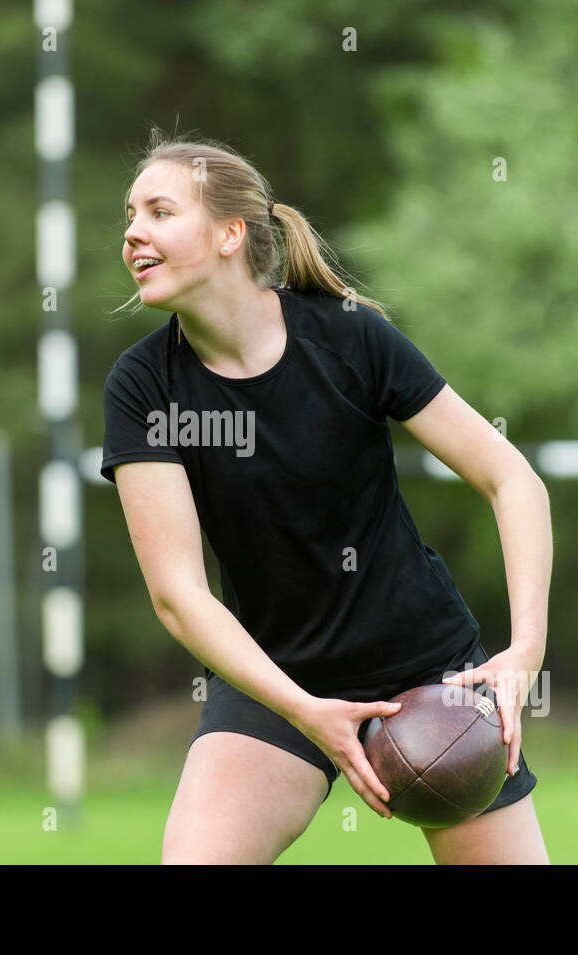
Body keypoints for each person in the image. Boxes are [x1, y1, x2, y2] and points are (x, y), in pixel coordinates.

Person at [100, 129, 553, 864]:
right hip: (275, 679)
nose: (133, 233)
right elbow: (179, 595)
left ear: (229, 233)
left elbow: (513, 479)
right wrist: (306, 711)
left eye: (158, 211)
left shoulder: (349, 338)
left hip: (427, 670)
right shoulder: (145, 384)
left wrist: (524, 651)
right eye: (130, 215)